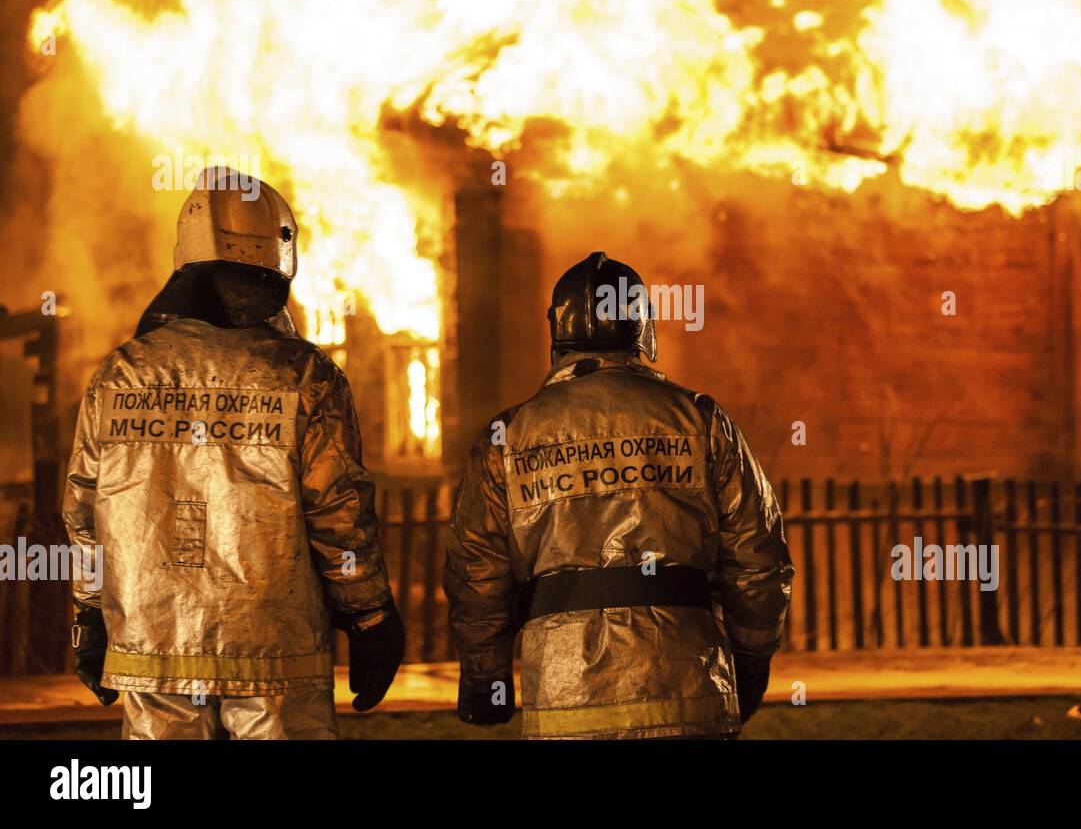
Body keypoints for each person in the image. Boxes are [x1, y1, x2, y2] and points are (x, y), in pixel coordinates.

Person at [62, 165, 404, 739]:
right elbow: (338, 513)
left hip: (153, 655)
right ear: (276, 270)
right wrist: (369, 614)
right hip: (275, 661)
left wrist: (90, 617)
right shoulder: (305, 376)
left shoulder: (117, 377)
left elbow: (84, 513)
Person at [446, 251, 793, 739]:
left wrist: (486, 674)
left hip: (566, 693)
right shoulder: (700, 418)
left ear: (557, 331)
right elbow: (759, 556)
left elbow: (477, 571)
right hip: (686, 684)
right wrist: (753, 656)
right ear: (642, 326)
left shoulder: (509, 434)